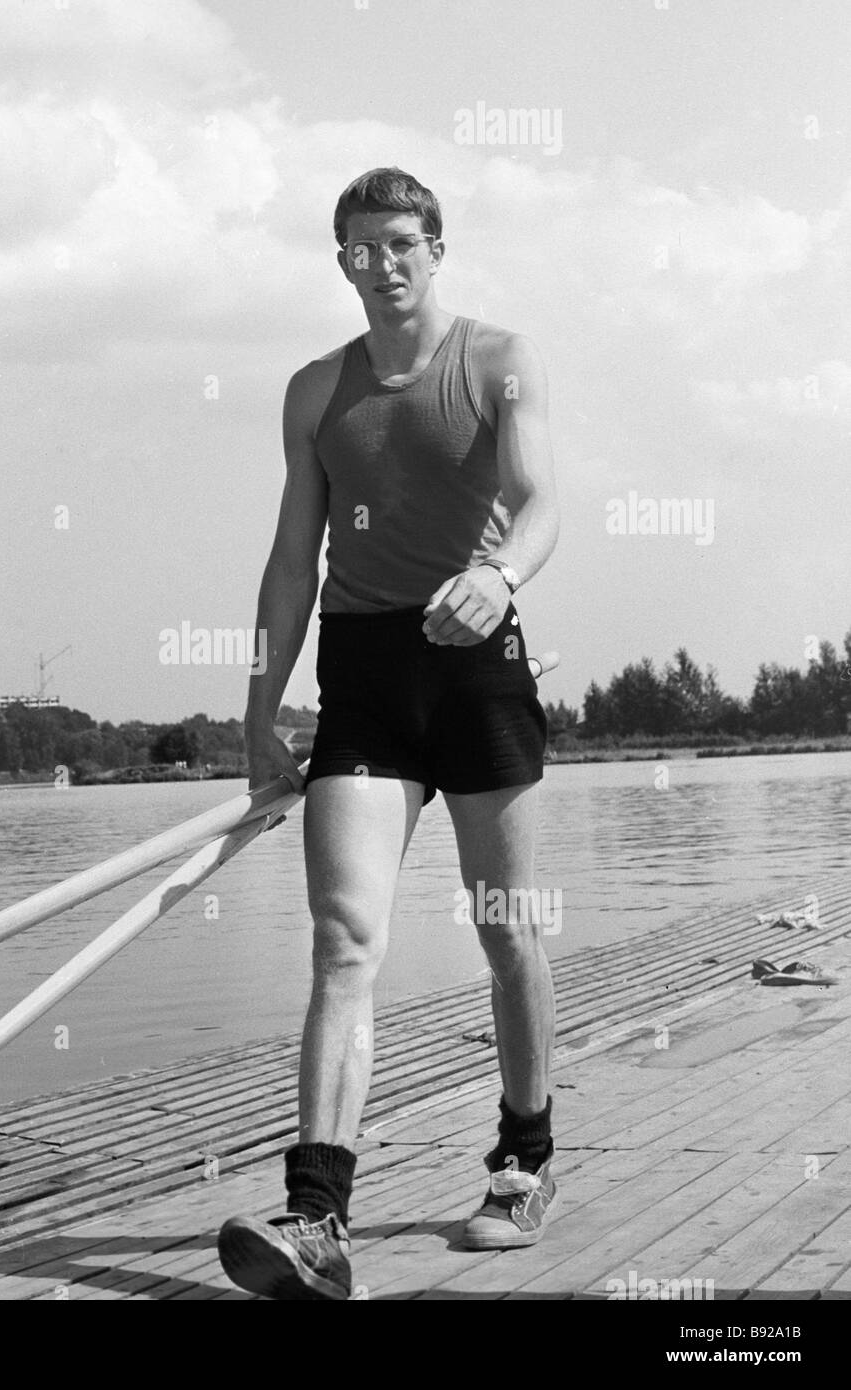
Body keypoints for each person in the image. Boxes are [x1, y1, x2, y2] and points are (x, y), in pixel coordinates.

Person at [216, 167, 560, 1300]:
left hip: (474, 661)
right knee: (342, 939)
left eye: (402, 243)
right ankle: (317, 1216)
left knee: (504, 929)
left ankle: (521, 1155)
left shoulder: (500, 362)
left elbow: (542, 497)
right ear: (341, 261)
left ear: (437, 248)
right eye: (361, 248)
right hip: (362, 672)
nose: (383, 263)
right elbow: (287, 562)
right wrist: (261, 706)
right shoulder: (316, 390)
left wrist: (499, 577)